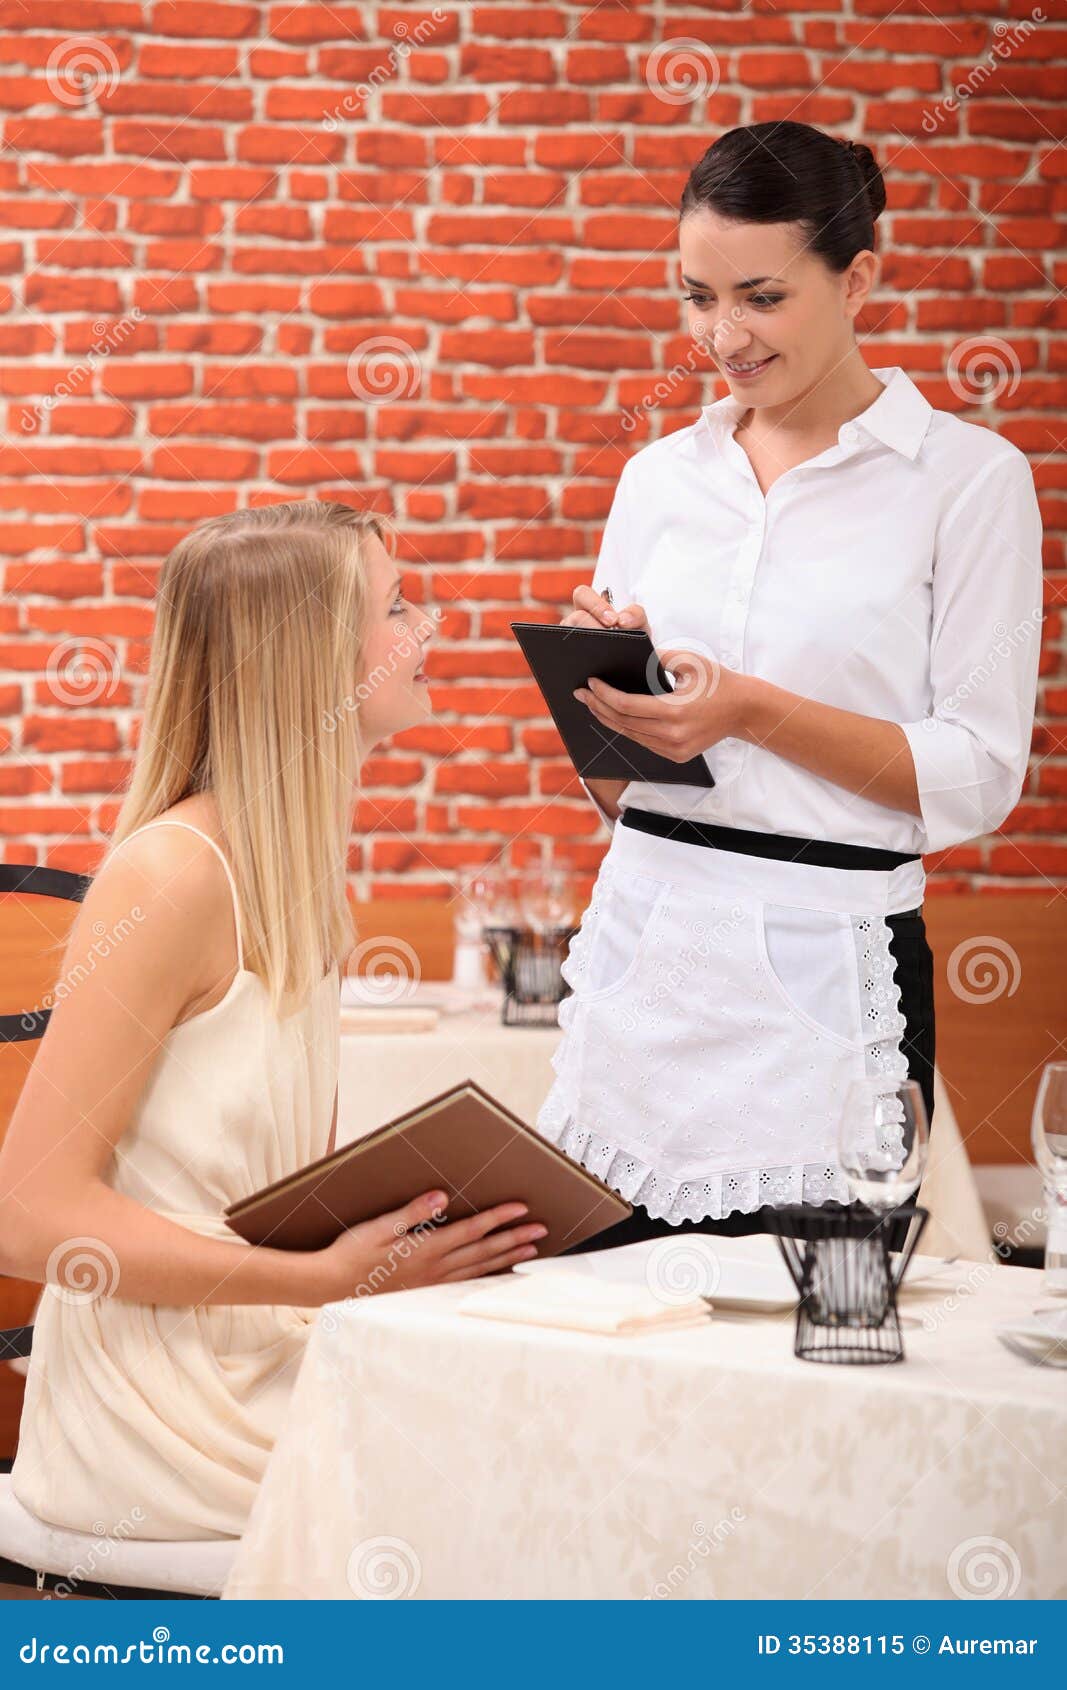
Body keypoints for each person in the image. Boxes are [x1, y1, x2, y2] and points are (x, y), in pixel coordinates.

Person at [533, 121, 1043, 1256]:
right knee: (603, 1334)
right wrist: (613, 709)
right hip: (645, 958)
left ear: (857, 276)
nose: (721, 336)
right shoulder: (657, 480)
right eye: (694, 297)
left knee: (822, 1347)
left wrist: (748, 709)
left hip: (833, 969)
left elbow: (974, 775)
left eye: (759, 297)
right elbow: (621, 801)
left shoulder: (965, 485)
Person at [0, 502, 548, 1540]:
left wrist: (400, 1248)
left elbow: (268, 1194)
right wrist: (319, 1280)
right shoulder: (171, 876)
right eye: (394, 608)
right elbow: (26, 1215)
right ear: (311, 657)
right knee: (507, 1500)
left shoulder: (295, 874)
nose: (424, 629)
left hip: (263, 1345)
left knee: (546, 1427)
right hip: (157, 1408)